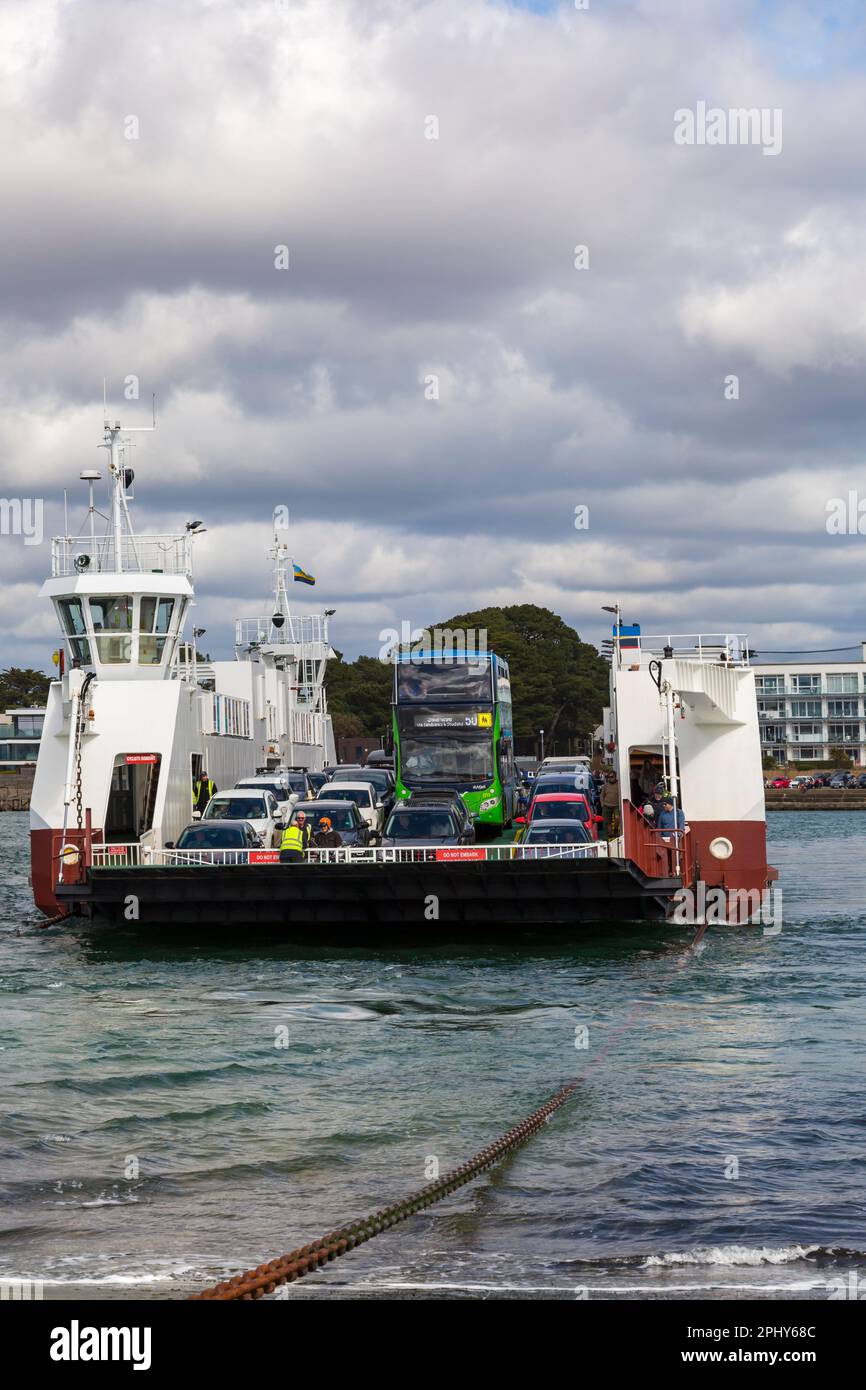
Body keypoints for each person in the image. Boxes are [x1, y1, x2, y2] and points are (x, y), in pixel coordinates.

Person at [600, 771, 620, 839]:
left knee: (617, 818)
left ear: (615, 777)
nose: (610, 778)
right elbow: (602, 795)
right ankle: (610, 835)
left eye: (612, 777)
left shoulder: (619, 784)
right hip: (607, 805)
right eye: (609, 777)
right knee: (607, 821)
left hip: (616, 805)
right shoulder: (606, 785)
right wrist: (602, 805)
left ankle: (615, 830)